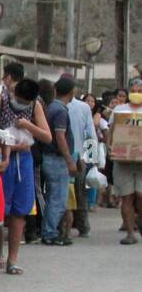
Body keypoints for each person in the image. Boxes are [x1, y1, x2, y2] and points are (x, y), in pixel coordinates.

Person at [0, 77, 51, 274]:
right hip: (0, 157)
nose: (22, 104)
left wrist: (28, 126)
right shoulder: (0, 100)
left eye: (26, 102)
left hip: (24, 161)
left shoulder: (35, 106)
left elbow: (47, 136)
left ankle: (12, 259)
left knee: (19, 211)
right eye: (20, 100)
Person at [39, 76, 76, 246]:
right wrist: (69, 160)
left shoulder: (51, 107)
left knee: (52, 196)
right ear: (71, 92)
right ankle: (50, 233)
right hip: (56, 158)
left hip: (47, 156)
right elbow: (60, 136)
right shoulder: (61, 110)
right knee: (58, 198)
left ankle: (48, 230)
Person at [108, 77, 142, 244]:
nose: (136, 94)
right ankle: (130, 233)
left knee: (140, 196)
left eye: (139, 91)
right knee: (127, 197)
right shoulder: (120, 110)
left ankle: (139, 221)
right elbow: (111, 129)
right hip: (123, 162)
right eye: (134, 91)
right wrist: (109, 146)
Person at [65, 80, 96, 238]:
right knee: (80, 193)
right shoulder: (84, 107)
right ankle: (83, 227)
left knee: (61, 194)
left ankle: (62, 228)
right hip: (80, 157)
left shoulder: (53, 105)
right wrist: (91, 159)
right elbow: (90, 134)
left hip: (61, 157)